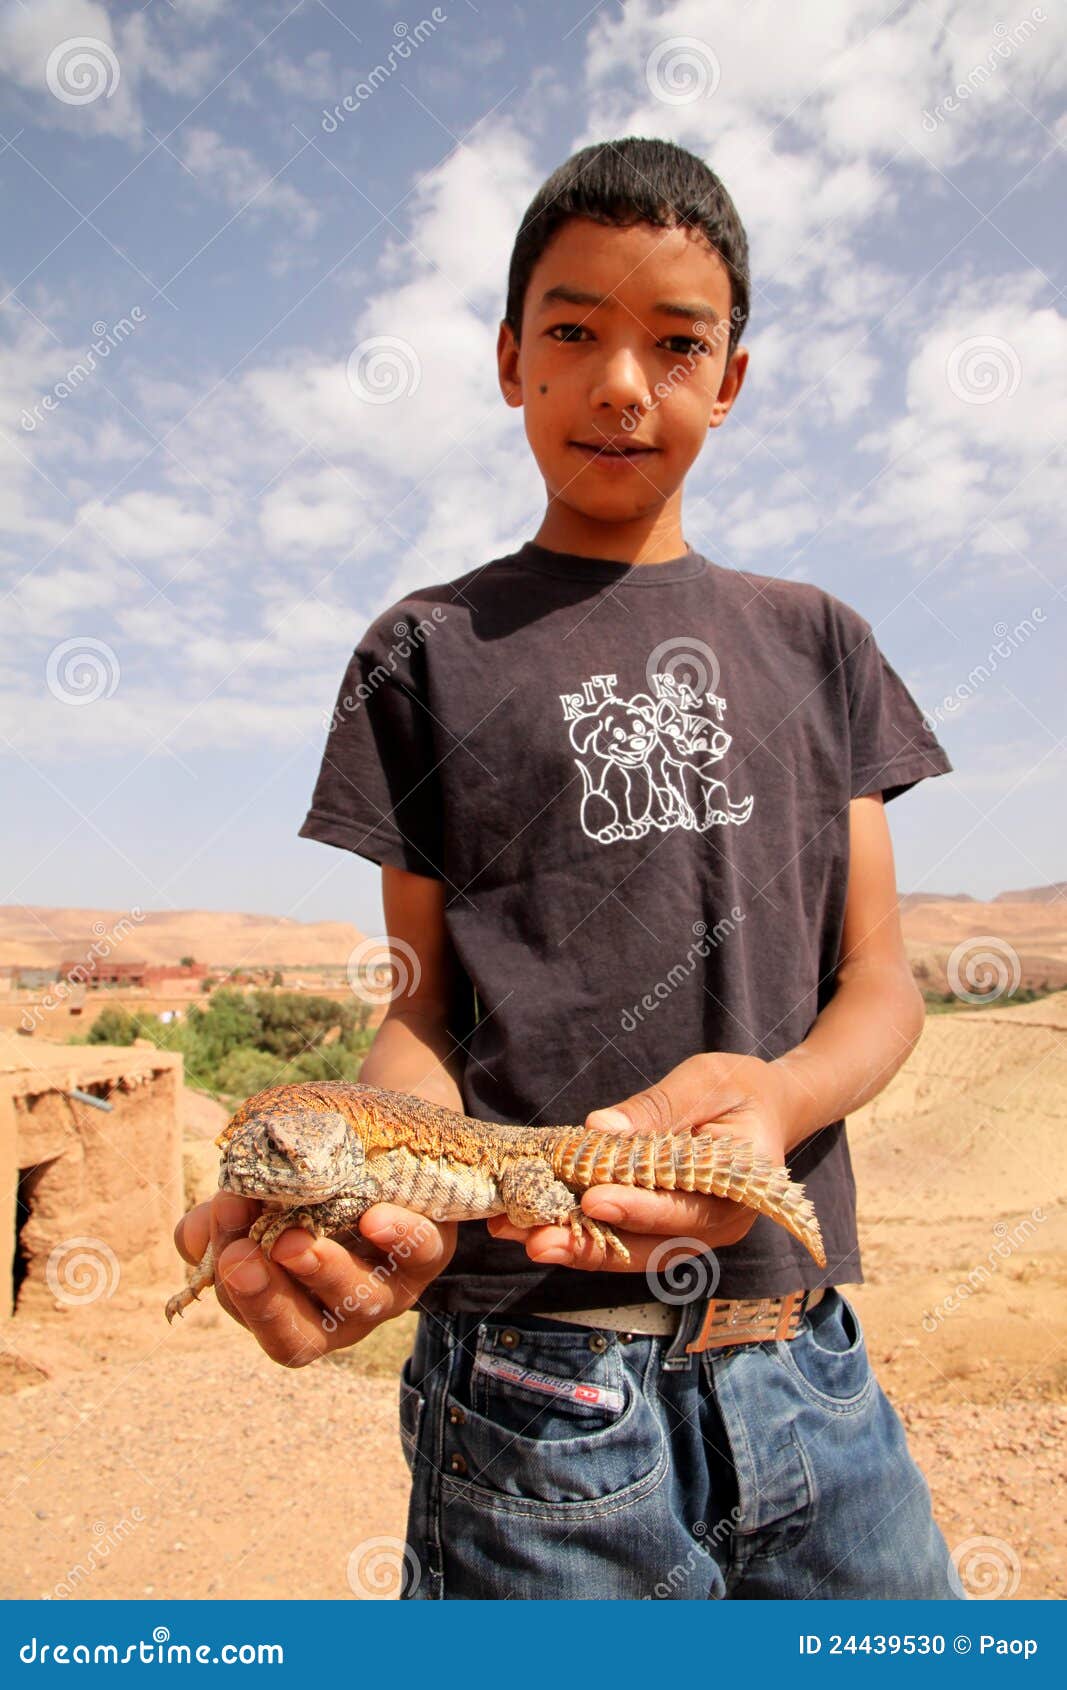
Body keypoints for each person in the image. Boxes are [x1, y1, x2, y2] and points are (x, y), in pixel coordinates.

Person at [175, 137, 960, 1600]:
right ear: (507, 358)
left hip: (806, 1362)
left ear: (732, 380)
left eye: (677, 345)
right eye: (575, 331)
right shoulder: (422, 652)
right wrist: (375, 1174)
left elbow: (882, 983)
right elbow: (420, 1012)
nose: (620, 382)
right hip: (535, 1395)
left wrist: (780, 1101)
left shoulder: (823, 642)